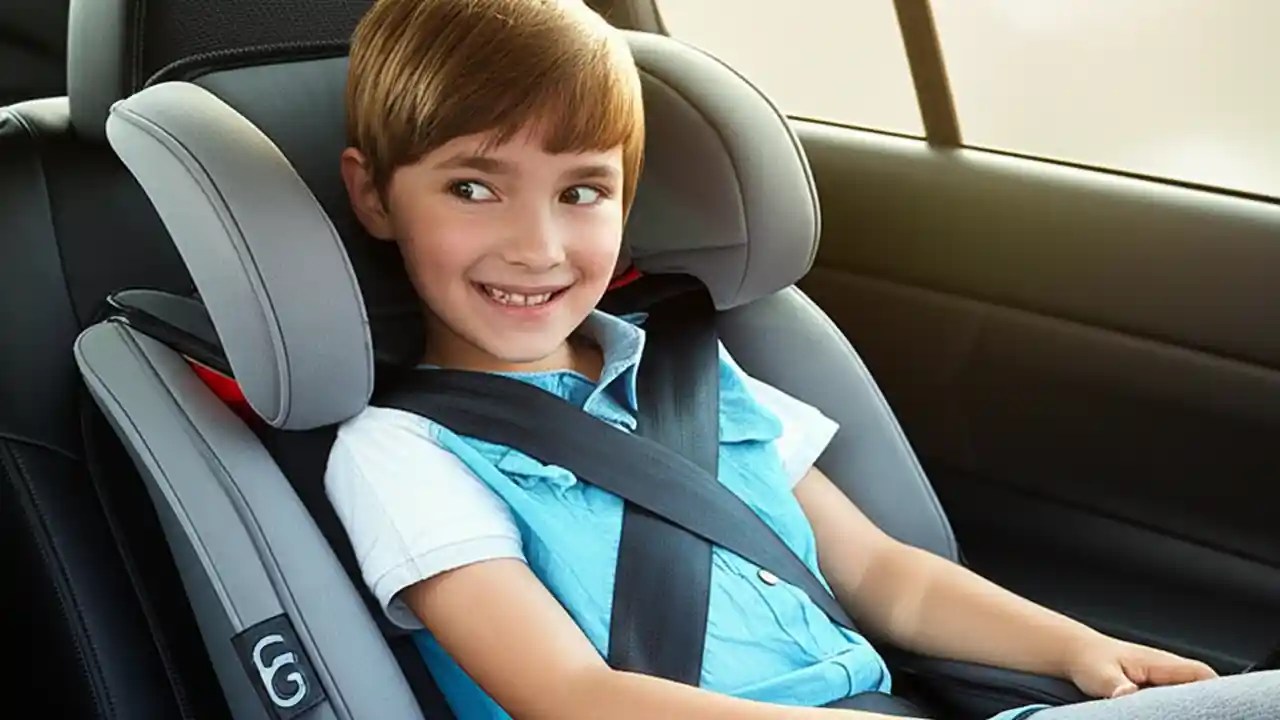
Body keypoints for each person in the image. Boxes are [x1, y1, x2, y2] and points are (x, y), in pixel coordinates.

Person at [326, 1, 1277, 718]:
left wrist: (1079, 650)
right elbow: (571, 696)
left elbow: (884, 576)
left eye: (581, 191)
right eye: (472, 186)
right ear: (373, 196)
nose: (538, 246)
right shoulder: (401, 450)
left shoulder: (692, 375)